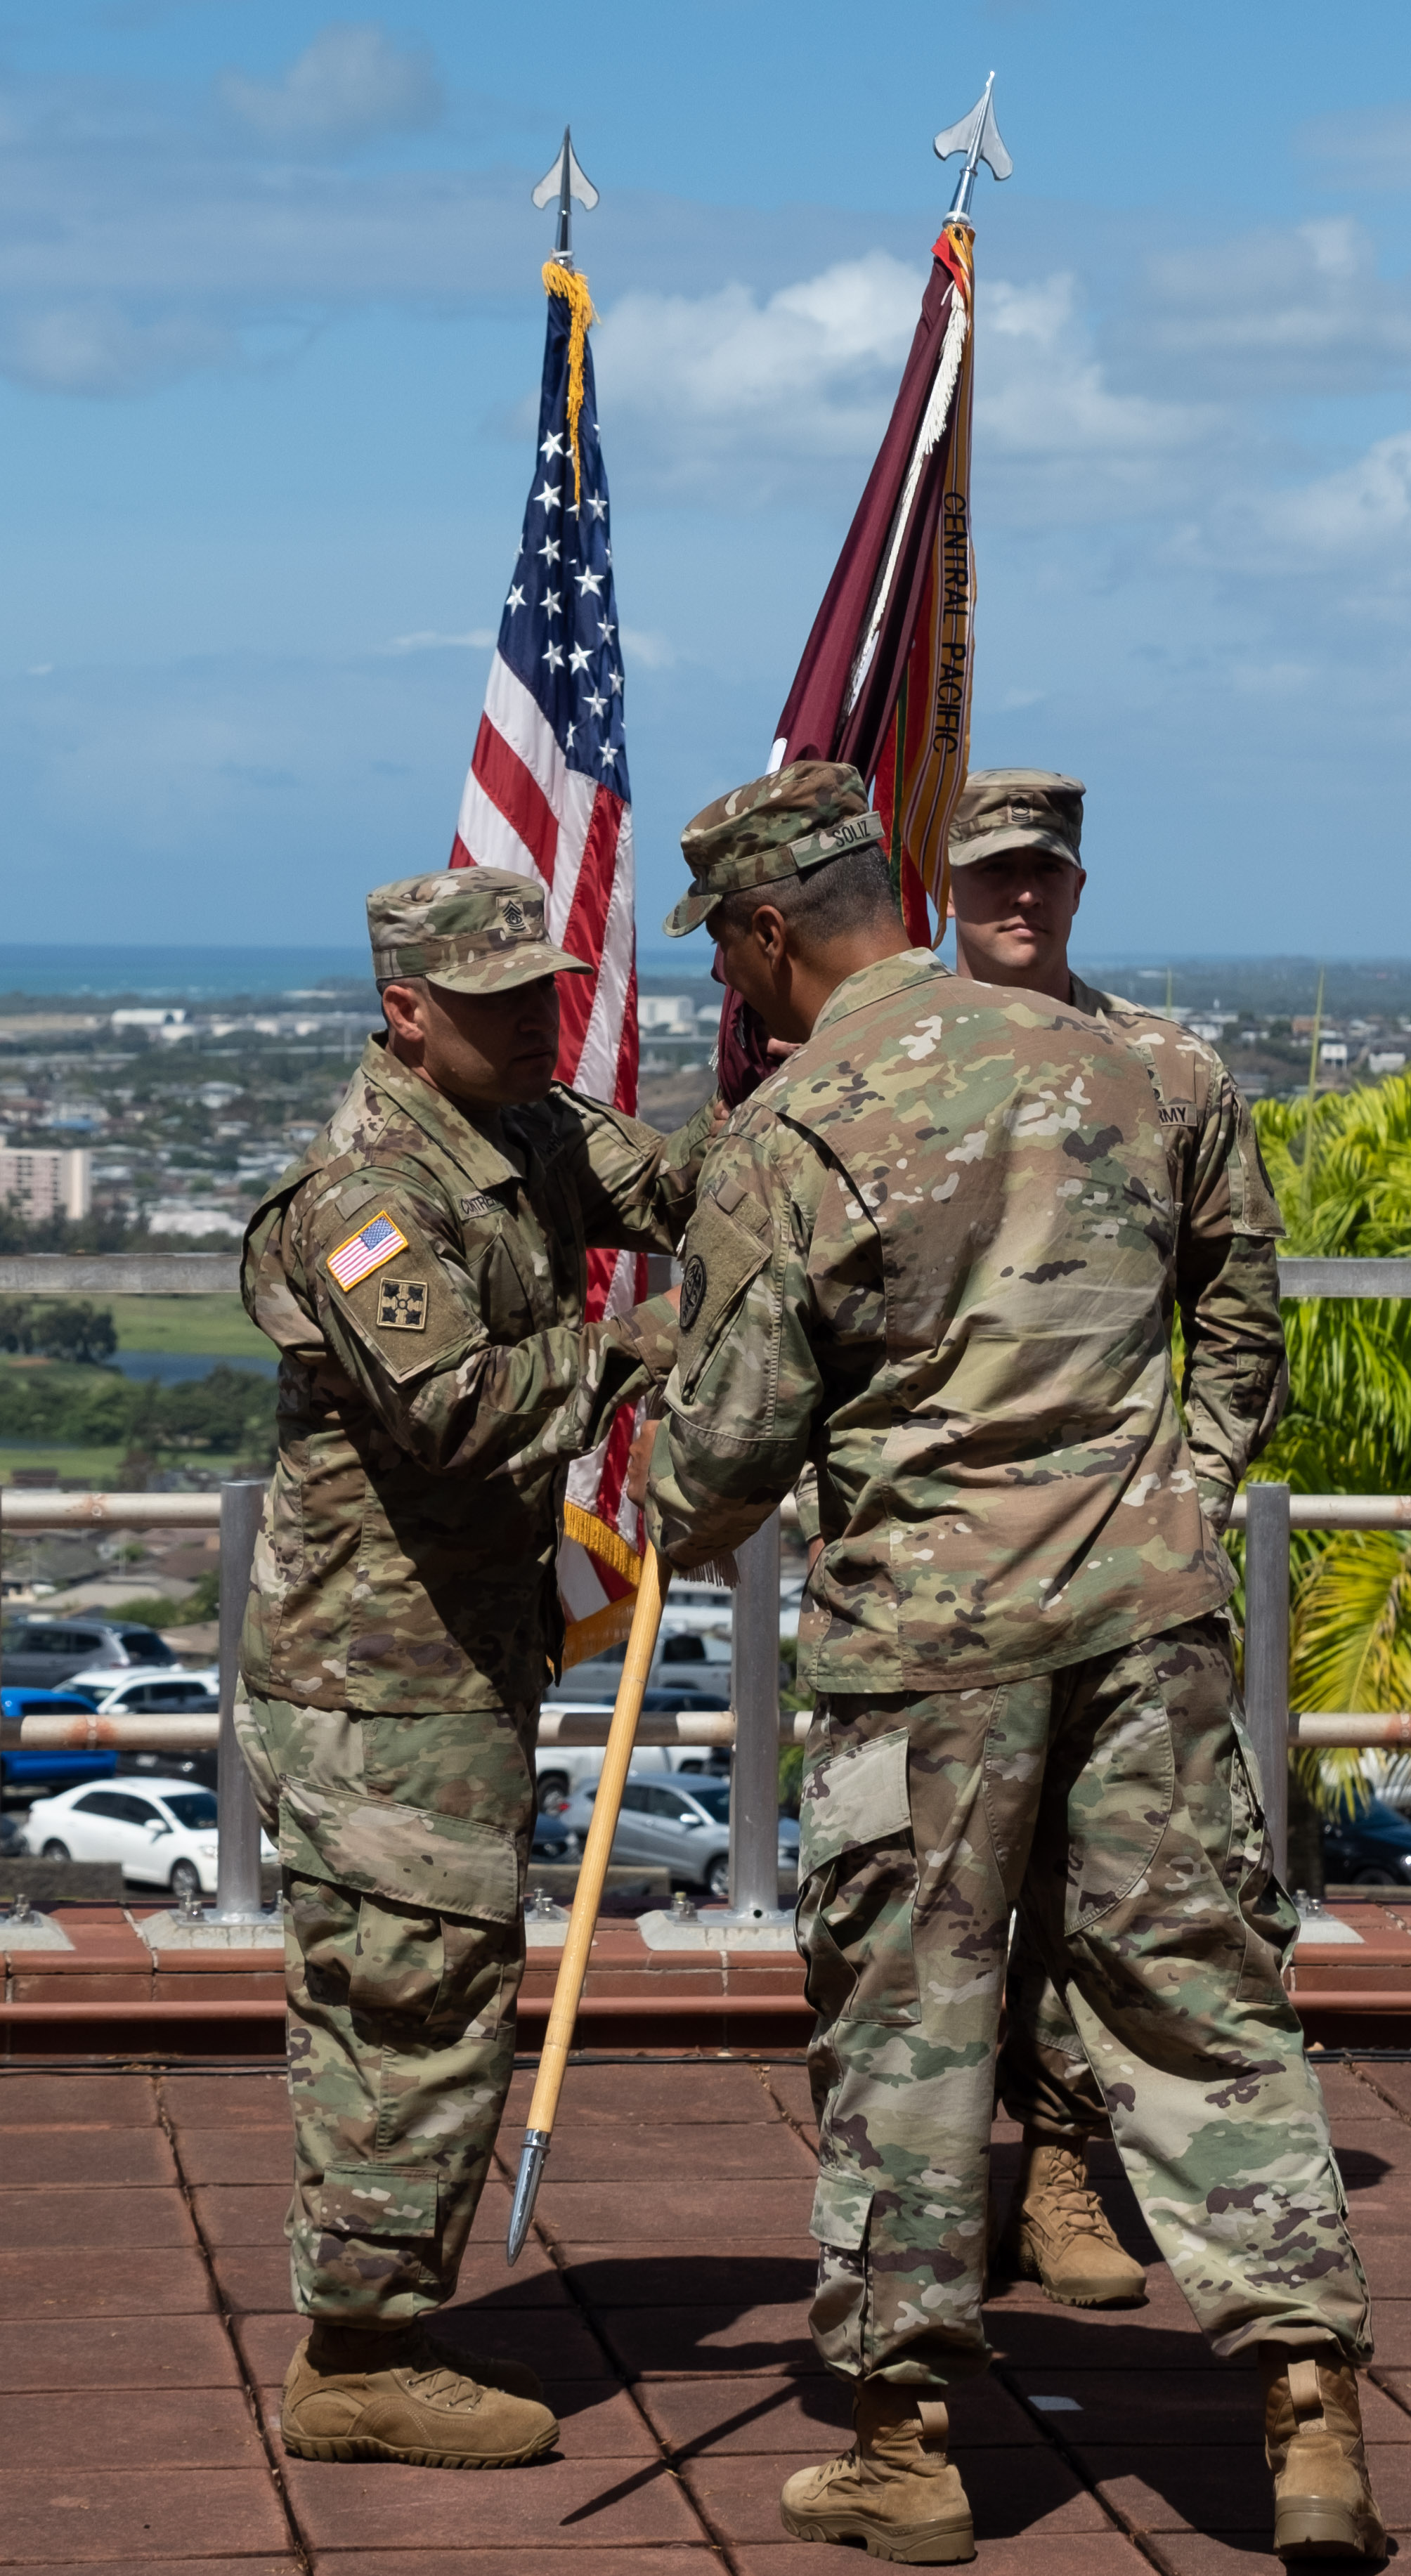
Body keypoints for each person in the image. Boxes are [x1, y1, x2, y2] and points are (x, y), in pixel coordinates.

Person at [645, 761, 1383, 2567]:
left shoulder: (790, 1135)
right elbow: (1236, 1310)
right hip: (1150, 1615)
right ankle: (1305, 2407)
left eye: (728, 958)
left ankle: (903, 2445)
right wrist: (1179, 1493)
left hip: (926, 1649)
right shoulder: (1139, 1070)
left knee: (910, 2024)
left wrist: (663, 1438)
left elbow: (711, 1477)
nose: (730, 989)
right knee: (1198, 1993)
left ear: (762, 933)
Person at [238, 871, 710, 2468]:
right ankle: (360, 2358)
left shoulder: (528, 1124)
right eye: (498, 998)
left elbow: (688, 1191)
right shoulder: (366, 1194)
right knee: (410, 1997)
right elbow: (454, 1409)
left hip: (455, 1656)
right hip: (374, 1679)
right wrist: (631, 1350)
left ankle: (375, 2322)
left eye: (544, 988)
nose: (535, 1018)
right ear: (404, 1011)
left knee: (433, 1982)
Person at [944, 767, 1290, 2314]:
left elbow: (1237, 1311)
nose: (1018, 898)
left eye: (1043, 875)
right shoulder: (872, 1068)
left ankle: (1069, 2176)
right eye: (990, 876)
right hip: (935, 1572)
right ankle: (931, 2197)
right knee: (928, 1908)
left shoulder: (1170, 1072)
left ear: (1079, 887)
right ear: (945, 890)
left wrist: (1190, 1485)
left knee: (1118, 1895)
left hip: (1121, 1567)